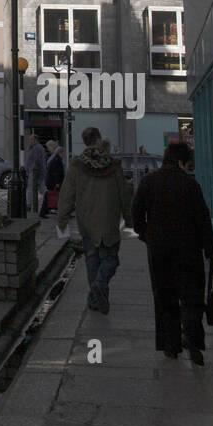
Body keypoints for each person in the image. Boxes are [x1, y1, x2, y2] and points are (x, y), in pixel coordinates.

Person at [132, 141, 213, 365]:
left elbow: (136, 213)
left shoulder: (149, 182)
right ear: (181, 162)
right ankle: (191, 333)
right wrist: (211, 251)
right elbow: (203, 220)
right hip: (189, 250)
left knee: (165, 297)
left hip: (159, 250)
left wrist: (145, 234)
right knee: (191, 296)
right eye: (188, 164)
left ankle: (171, 345)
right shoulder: (190, 185)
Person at [57, 126, 133, 314]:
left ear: (85, 142)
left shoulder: (77, 165)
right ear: (99, 140)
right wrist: (129, 218)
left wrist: (62, 219)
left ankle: (95, 299)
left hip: (87, 223)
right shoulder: (113, 165)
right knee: (111, 260)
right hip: (109, 221)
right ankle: (99, 288)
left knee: (92, 261)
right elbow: (124, 194)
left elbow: (67, 194)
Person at [39, 142, 65, 218]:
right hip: (53, 182)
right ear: (60, 153)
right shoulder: (57, 160)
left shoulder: (55, 159)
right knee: (51, 197)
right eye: (63, 153)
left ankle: (44, 212)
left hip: (51, 182)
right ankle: (44, 212)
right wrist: (57, 182)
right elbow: (56, 172)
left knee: (49, 197)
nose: (64, 155)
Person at [25, 133, 47, 213]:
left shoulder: (37, 148)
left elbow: (36, 160)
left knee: (32, 188)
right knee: (41, 189)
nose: (29, 141)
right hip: (37, 172)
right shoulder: (34, 147)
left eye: (31, 139)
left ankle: (28, 205)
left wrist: (31, 168)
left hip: (36, 173)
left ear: (35, 140)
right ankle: (49, 202)